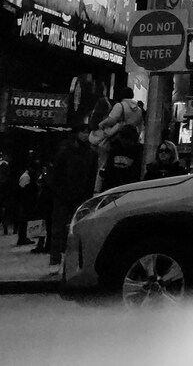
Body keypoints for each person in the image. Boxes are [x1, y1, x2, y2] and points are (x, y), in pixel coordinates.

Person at [45, 127, 99, 267]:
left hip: (74, 195)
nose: (85, 135)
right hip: (67, 195)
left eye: (87, 132)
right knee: (63, 228)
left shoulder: (87, 153)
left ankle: (65, 259)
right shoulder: (71, 152)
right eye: (83, 132)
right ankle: (58, 258)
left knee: (70, 229)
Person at [90, 86, 145, 192]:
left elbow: (111, 119)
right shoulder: (138, 110)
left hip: (116, 138)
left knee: (103, 163)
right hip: (132, 139)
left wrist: (101, 125)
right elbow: (141, 125)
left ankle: (97, 189)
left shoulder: (120, 106)